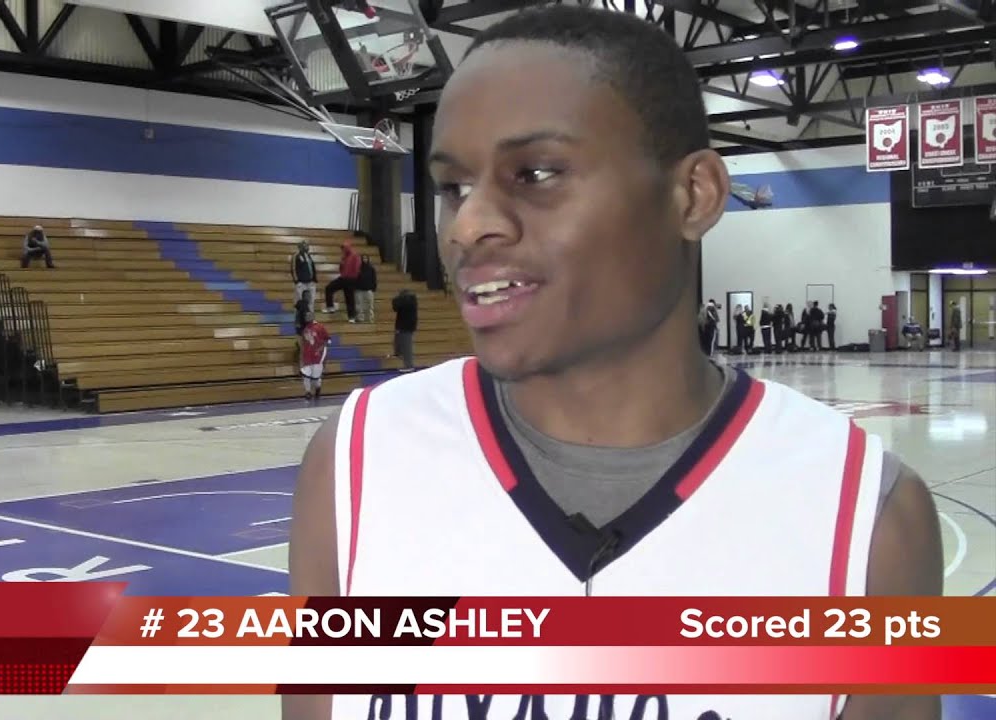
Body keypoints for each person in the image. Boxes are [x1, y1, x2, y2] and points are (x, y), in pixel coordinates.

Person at [285, 7, 941, 720]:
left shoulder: (864, 520)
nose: (469, 225)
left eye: (534, 173)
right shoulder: (355, 466)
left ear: (693, 196)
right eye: (453, 188)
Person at [323, 240, 360, 322]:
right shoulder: (344, 256)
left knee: (349, 298)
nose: (342, 249)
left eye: (344, 248)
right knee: (329, 288)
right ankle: (330, 307)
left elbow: (357, 268)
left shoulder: (354, 256)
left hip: (350, 279)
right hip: (343, 278)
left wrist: (354, 278)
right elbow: (341, 268)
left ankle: (351, 317)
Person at [298, 311, 330, 402]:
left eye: (308, 316)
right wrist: (302, 357)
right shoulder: (305, 329)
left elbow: (328, 340)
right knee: (306, 375)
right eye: (306, 316)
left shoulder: (320, 327)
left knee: (316, 378)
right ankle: (307, 392)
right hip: (307, 356)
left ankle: (318, 388)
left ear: (312, 316)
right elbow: (303, 344)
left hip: (317, 357)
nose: (306, 317)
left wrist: (321, 350)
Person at [390, 288, 417, 370]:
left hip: (405, 327)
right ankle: (398, 354)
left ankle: (409, 366)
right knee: (397, 342)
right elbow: (395, 308)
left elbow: (396, 305)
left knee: (406, 347)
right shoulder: (409, 301)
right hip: (402, 326)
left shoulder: (408, 301)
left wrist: (396, 299)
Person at [290, 241, 317, 313]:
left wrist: (314, 279)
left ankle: (310, 319)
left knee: (311, 301)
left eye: (307, 246)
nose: (307, 247)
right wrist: (297, 281)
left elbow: (312, 267)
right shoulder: (296, 256)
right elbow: (293, 269)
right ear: (300, 247)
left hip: (310, 282)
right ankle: (298, 319)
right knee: (299, 301)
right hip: (301, 283)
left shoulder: (308, 255)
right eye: (305, 246)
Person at [354, 254, 378, 323]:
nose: (364, 260)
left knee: (370, 306)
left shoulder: (371, 269)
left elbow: (374, 279)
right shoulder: (357, 268)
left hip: (369, 290)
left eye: (366, 258)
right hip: (359, 290)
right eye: (363, 258)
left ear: (368, 259)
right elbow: (354, 279)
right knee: (359, 305)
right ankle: (360, 319)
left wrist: (373, 288)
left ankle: (370, 319)